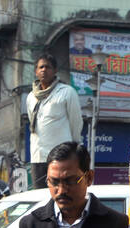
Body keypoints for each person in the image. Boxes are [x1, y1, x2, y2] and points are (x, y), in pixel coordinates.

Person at [27, 54, 83, 188]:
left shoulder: (67, 92)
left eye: (48, 67)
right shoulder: (31, 97)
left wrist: (72, 151)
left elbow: (76, 123)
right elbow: (32, 121)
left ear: (55, 70)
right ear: (36, 71)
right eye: (41, 67)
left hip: (60, 157)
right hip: (38, 156)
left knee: (60, 192)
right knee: (39, 196)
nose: (44, 70)